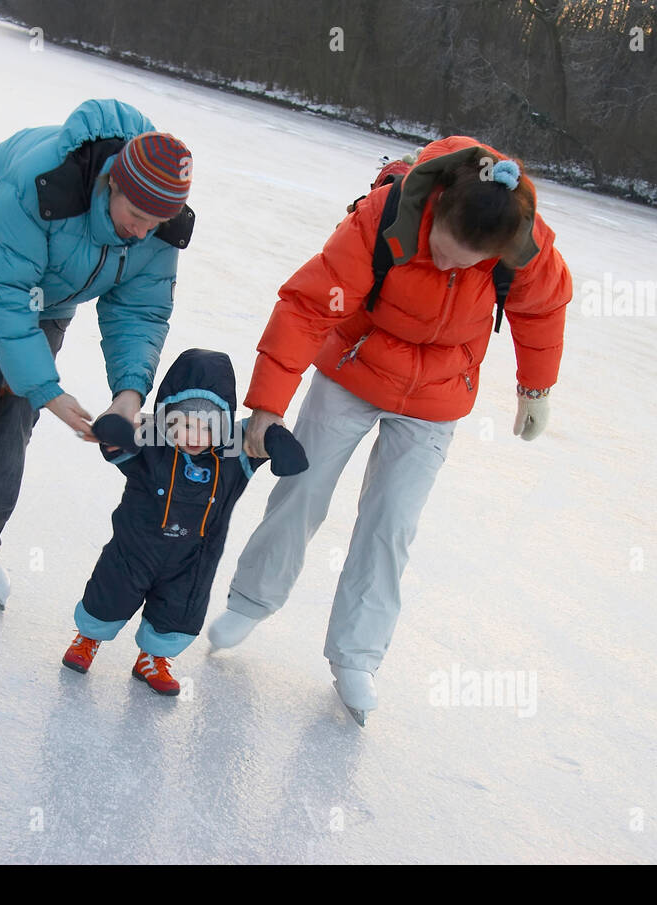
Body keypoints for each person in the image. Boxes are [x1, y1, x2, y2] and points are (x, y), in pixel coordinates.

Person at [207, 136, 573, 725]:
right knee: (303, 488)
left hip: (438, 394)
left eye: (469, 263)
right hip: (354, 365)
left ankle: (356, 657)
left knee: (392, 523)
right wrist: (268, 405)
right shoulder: (385, 218)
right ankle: (252, 601)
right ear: (439, 209)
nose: (453, 266)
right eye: (445, 252)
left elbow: (543, 309)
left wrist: (536, 389)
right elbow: (307, 305)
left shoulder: (520, 243)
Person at [0, 100, 194, 612]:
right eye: (138, 216)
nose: (146, 231)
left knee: (17, 408)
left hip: (54, 289)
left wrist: (128, 395)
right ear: (112, 185)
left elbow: (140, 312)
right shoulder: (45, 182)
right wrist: (49, 389)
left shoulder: (158, 223)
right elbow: (7, 290)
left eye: (158, 221)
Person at [61, 348, 307, 695]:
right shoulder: (152, 442)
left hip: (193, 558)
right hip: (136, 549)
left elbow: (260, 435)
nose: (194, 435)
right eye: (184, 424)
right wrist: (112, 428)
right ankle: (89, 638)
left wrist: (278, 441)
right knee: (110, 593)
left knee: (178, 609)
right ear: (167, 420)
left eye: (206, 428)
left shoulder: (232, 455)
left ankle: (153, 659)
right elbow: (119, 438)